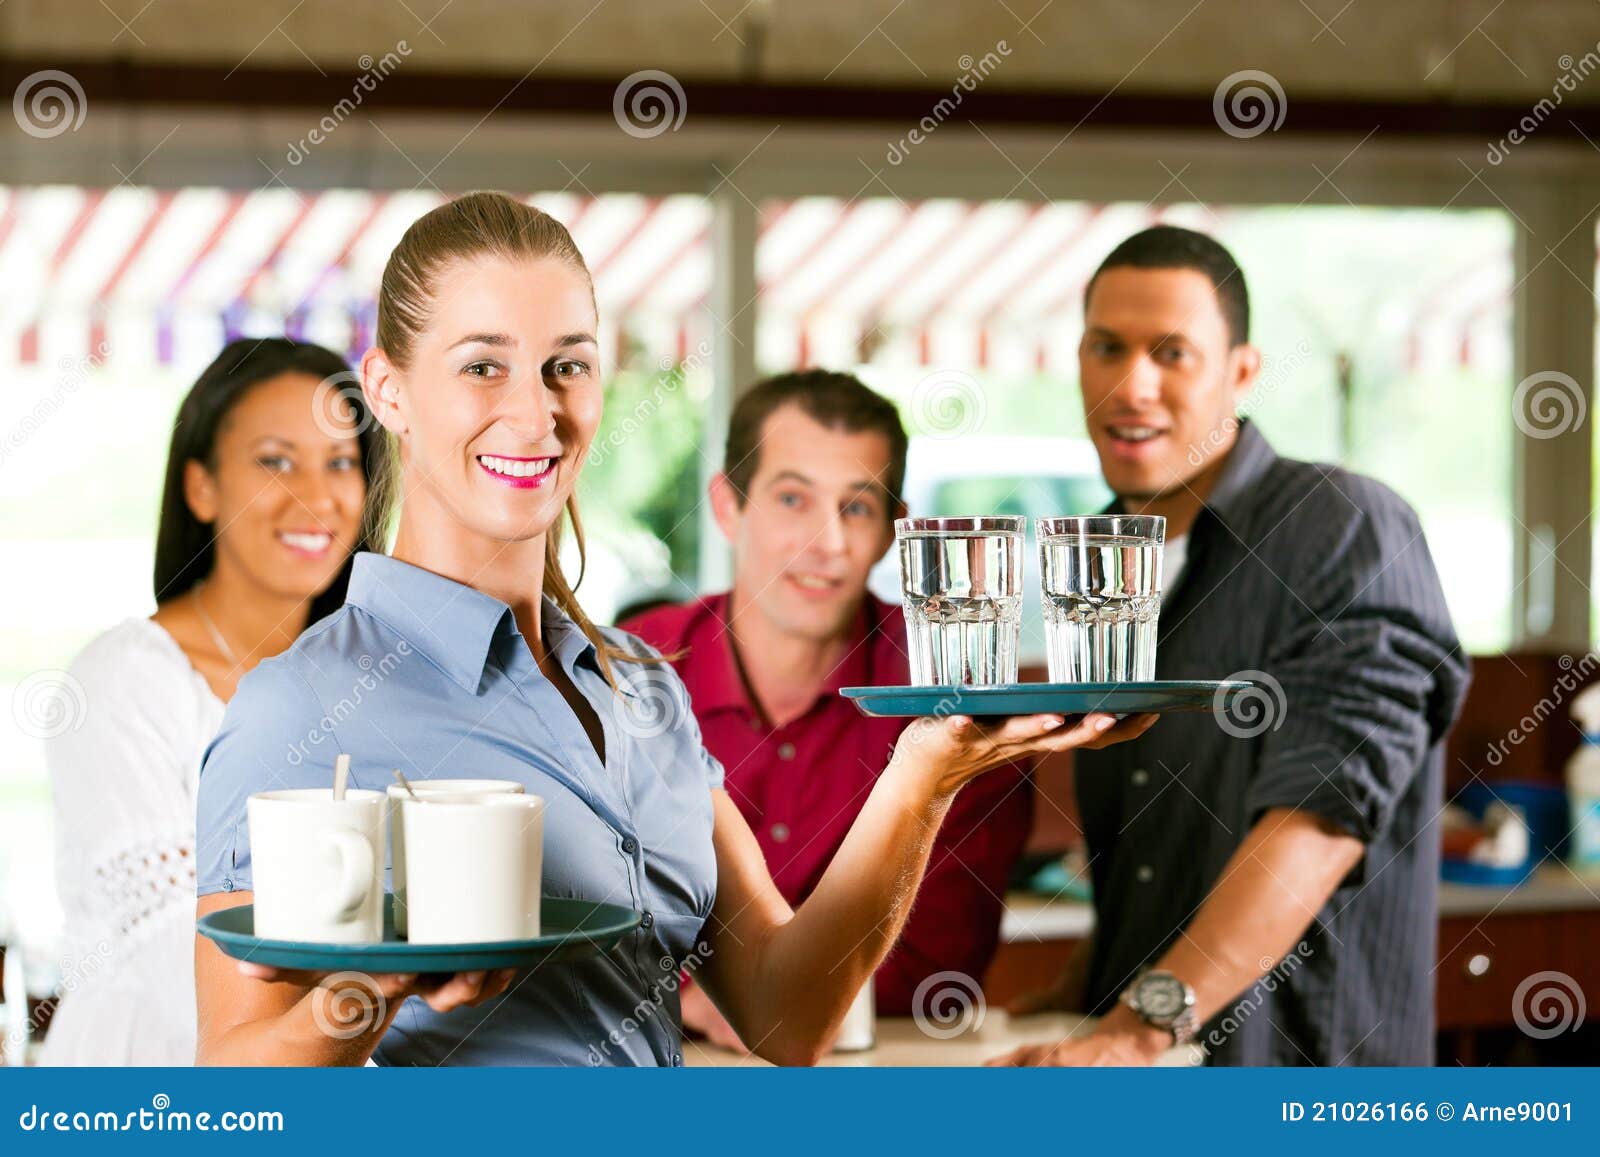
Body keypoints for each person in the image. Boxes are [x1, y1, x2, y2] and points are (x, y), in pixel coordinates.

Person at [192, 191, 1154, 1067]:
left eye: (566, 365)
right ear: (389, 390)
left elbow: (786, 1012)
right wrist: (378, 987)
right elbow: (234, 1098)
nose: (537, 413)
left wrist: (924, 771)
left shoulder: (644, 686)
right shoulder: (300, 707)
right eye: (482, 366)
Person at [993, 225, 1470, 1067]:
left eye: (1172, 352)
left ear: (1241, 372)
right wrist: (1090, 982)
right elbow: (1155, 851)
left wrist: (1141, 1026)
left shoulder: (1343, 526)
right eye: (1107, 347)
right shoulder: (1100, 560)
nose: (1132, 384)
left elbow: (1319, 821)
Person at [622, 370, 1033, 1049]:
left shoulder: (957, 690)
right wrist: (693, 998)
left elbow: (939, 965)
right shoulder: (632, 670)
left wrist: (756, 994)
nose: (829, 544)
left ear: (894, 528)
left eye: (858, 506)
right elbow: (578, 928)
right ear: (727, 506)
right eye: (792, 498)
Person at [40, 338, 382, 1065]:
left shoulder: (366, 684)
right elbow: (180, 957)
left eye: (341, 461)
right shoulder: (124, 681)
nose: (316, 496)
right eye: (275, 460)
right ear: (201, 486)